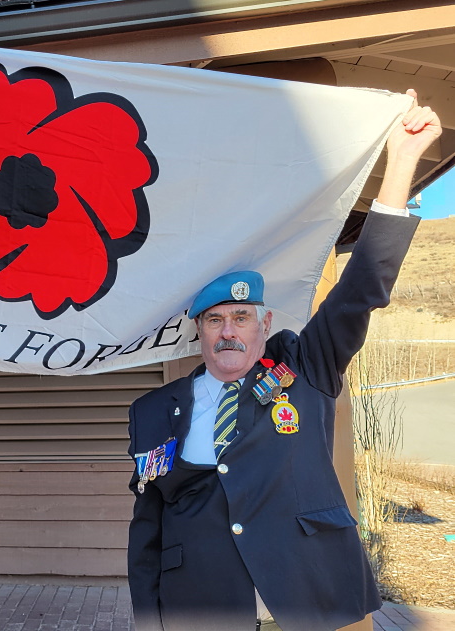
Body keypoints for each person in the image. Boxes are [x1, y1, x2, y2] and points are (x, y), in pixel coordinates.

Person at [126, 90, 442, 631]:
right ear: (199, 331)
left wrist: (401, 163)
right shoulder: (153, 410)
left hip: (306, 593)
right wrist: (149, 621)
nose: (229, 332)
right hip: (202, 605)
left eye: (241, 317)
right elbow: (147, 527)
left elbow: (362, 287)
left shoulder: (305, 366)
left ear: (265, 323)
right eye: (215, 320)